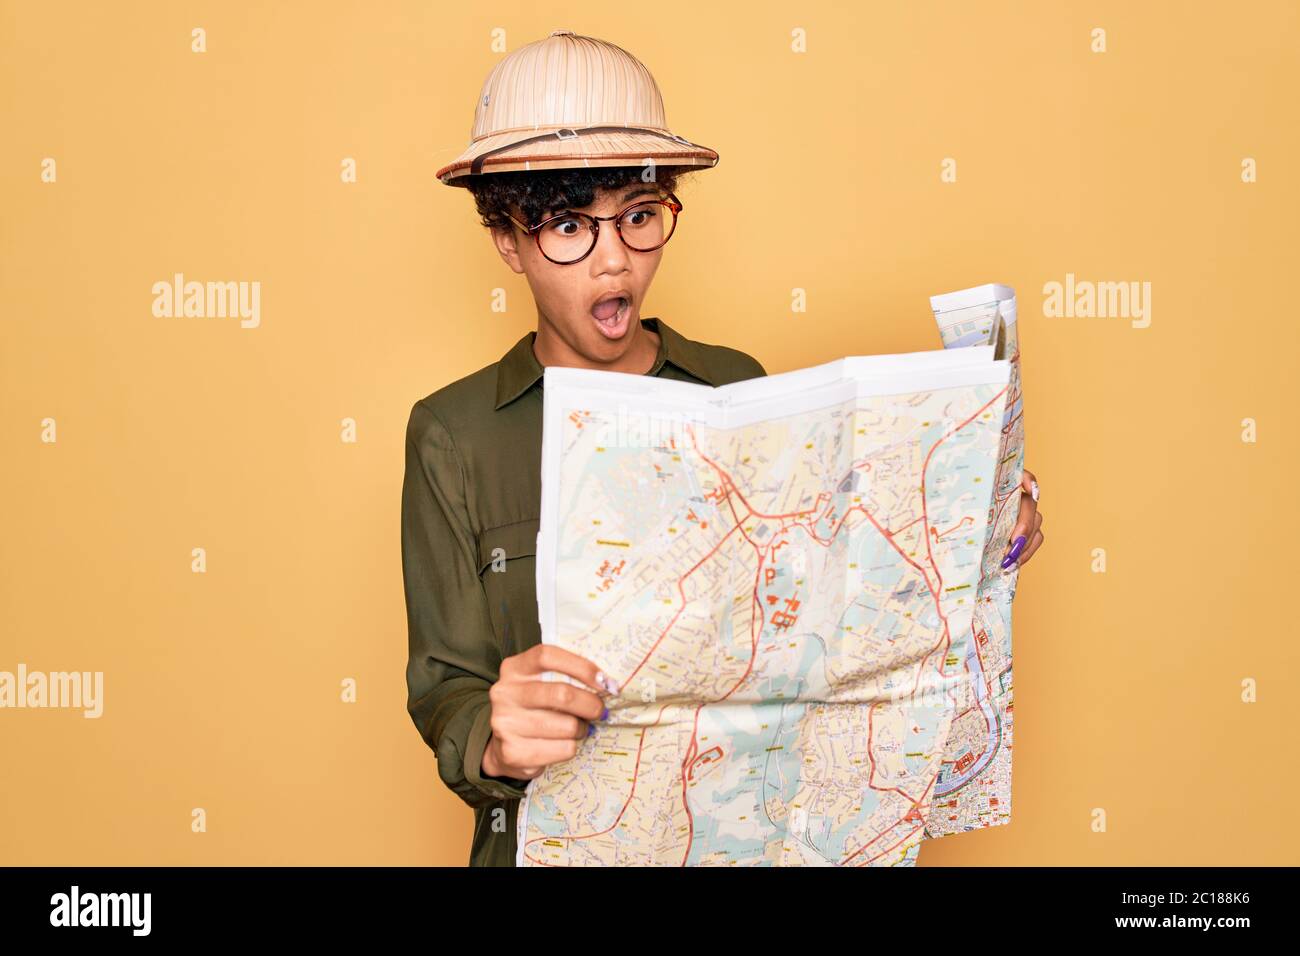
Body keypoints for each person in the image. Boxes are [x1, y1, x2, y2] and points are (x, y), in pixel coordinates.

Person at [402, 30, 1044, 867]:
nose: (614, 263)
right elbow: (445, 684)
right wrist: (493, 737)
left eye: (638, 217)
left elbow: (828, 610)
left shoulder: (736, 388)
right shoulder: (454, 433)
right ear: (506, 239)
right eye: (567, 225)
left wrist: (975, 526)